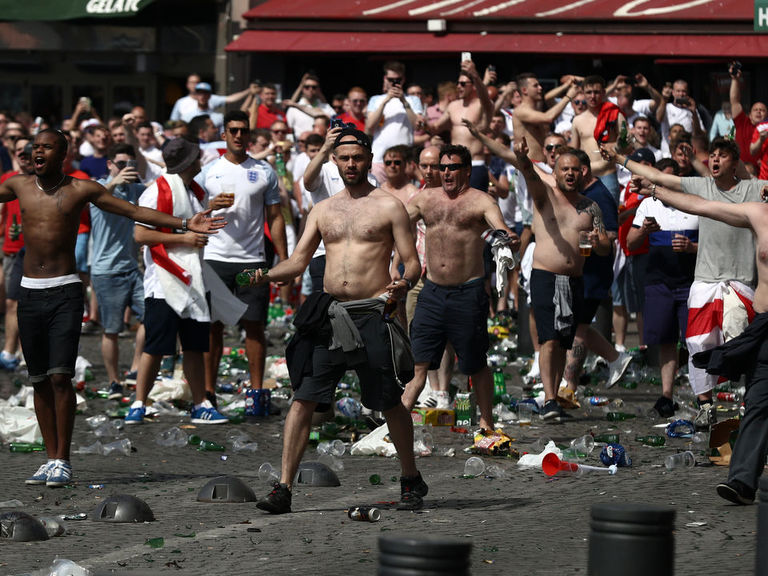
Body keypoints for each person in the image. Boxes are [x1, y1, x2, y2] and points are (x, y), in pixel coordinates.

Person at [0, 130, 223, 487]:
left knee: (61, 377)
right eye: (35, 146)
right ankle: (49, 458)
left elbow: (134, 210)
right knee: (39, 380)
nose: (38, 151)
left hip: (65, 291)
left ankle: (63, 459)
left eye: (47, 147)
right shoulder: (19, 185)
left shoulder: (81, 189)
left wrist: (184, 222)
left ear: (64, 154)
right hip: (29, 292)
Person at [249, 127, 426, 514]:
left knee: (389, 402)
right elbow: (298, 262)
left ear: (368, 159)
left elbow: (412, 260)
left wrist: (403, 283)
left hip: (372, 314)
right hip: (330, 316)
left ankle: (411, 478)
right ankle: (283, 488)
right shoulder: (323, 209)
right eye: (344, 158)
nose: (350, 164)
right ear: (334, 160)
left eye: (357, 158)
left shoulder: (388, 206)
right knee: (303, 400)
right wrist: (261, 275)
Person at [619, 170, 768, 505]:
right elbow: (702, 206)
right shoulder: (760, 214)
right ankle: (743, 482)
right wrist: (656, 190)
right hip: (765, 324)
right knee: (758, 402)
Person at [601, 137, 762, 430]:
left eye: (722, 156)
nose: (714, 160)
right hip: (703, 280)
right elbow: (660, 177)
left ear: (735, 163)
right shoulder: (702, 187)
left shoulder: (753, 190)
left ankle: (753, 403)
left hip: (741, 281)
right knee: (696, 342)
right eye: (711, 155)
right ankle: (705, 405)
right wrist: (619, 159)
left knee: (741, 343)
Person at [403, 143, 519, 431]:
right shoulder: (425, 199)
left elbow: (499, 226)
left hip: (467, 292)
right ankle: (398, 420)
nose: (446, 172)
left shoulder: (480, 201)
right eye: (443, 167)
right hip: (432, 291)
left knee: (475, 363)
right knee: (419, 362)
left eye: (452, 167)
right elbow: (394, 221)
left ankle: (486, 422)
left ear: (466, 170)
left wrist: (508, 237)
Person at [123, 137, 230, 427]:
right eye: (195, 158)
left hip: (194, 277)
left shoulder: (195, 190)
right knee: (156, 346)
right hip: (164, 278)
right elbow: (141, 235)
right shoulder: (156, 191)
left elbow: (193, 221)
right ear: (186, 162)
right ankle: (138, 402)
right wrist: (184, 237)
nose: (200, 162)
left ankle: (200, 403)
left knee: (195, 344)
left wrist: (209, 211)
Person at [201, 110, 287, 409]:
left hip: (252, 261)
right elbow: (192, 213)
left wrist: (284, 259)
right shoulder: (208, 172)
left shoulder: (264, 171)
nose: (239, 135)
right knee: (213, 327)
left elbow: (275, 217)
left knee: (254, 325)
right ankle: (208, 392)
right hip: (215, 257)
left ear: (249, 135)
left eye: (244, 130)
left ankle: (256, 393)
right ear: (224, 135)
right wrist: (211, 205)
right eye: (233, 130)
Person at [626, 160, 698, 417]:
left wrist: (691, 248)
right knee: (666, 340)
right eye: (661, 179)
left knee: (695, 340)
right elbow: (630, 243)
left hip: (691, 282)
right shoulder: (648, 204)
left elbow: (714, 246)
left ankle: (703, 395)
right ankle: (666, 394)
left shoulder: (694, 202)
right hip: (659, 281)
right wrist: (643, 230)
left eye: (670, 179)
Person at [92, 144, 147, 400]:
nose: (127, 169)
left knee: (152, 317)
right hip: (106, 271)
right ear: (110, 164)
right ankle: (114, 380)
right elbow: (97, 197)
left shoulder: (136, 189)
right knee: (111, 330)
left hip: (132, 268)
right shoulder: (100, 186)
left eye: (130, 164)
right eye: (121, 163)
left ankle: (136, 369)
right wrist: (115, 180)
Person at [427, 59, 494, 191]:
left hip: (475, 164)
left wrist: (475, 75)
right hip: (453, 166)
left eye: (463, 84)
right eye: (458, 83)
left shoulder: (481, 105)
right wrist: (423, 124)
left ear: (473, 85)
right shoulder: (453, 106)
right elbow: (435, 128)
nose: (459, 87)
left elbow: (486, 98)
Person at [571, 75, 628, 201]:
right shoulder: (577, 120)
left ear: (603, 93)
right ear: (583, 94)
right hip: (585, 176)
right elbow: (573, 152)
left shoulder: (614, 115)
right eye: (589, 92)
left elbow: (627, 144)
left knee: (609, 218)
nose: (592, 96)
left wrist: (615, 145)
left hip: (607, 173)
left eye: (596, 92)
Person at [366, 61, 424, 183]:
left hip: (404, 160)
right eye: (391, 79)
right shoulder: (376, 99)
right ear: (385, 79)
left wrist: (404, 101)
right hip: (379, 159)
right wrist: (386, 100)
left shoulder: (412, 100)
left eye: (397, 80)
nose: (394, 83)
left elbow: (418, 126)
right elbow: (370, 125)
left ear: (403, 80)